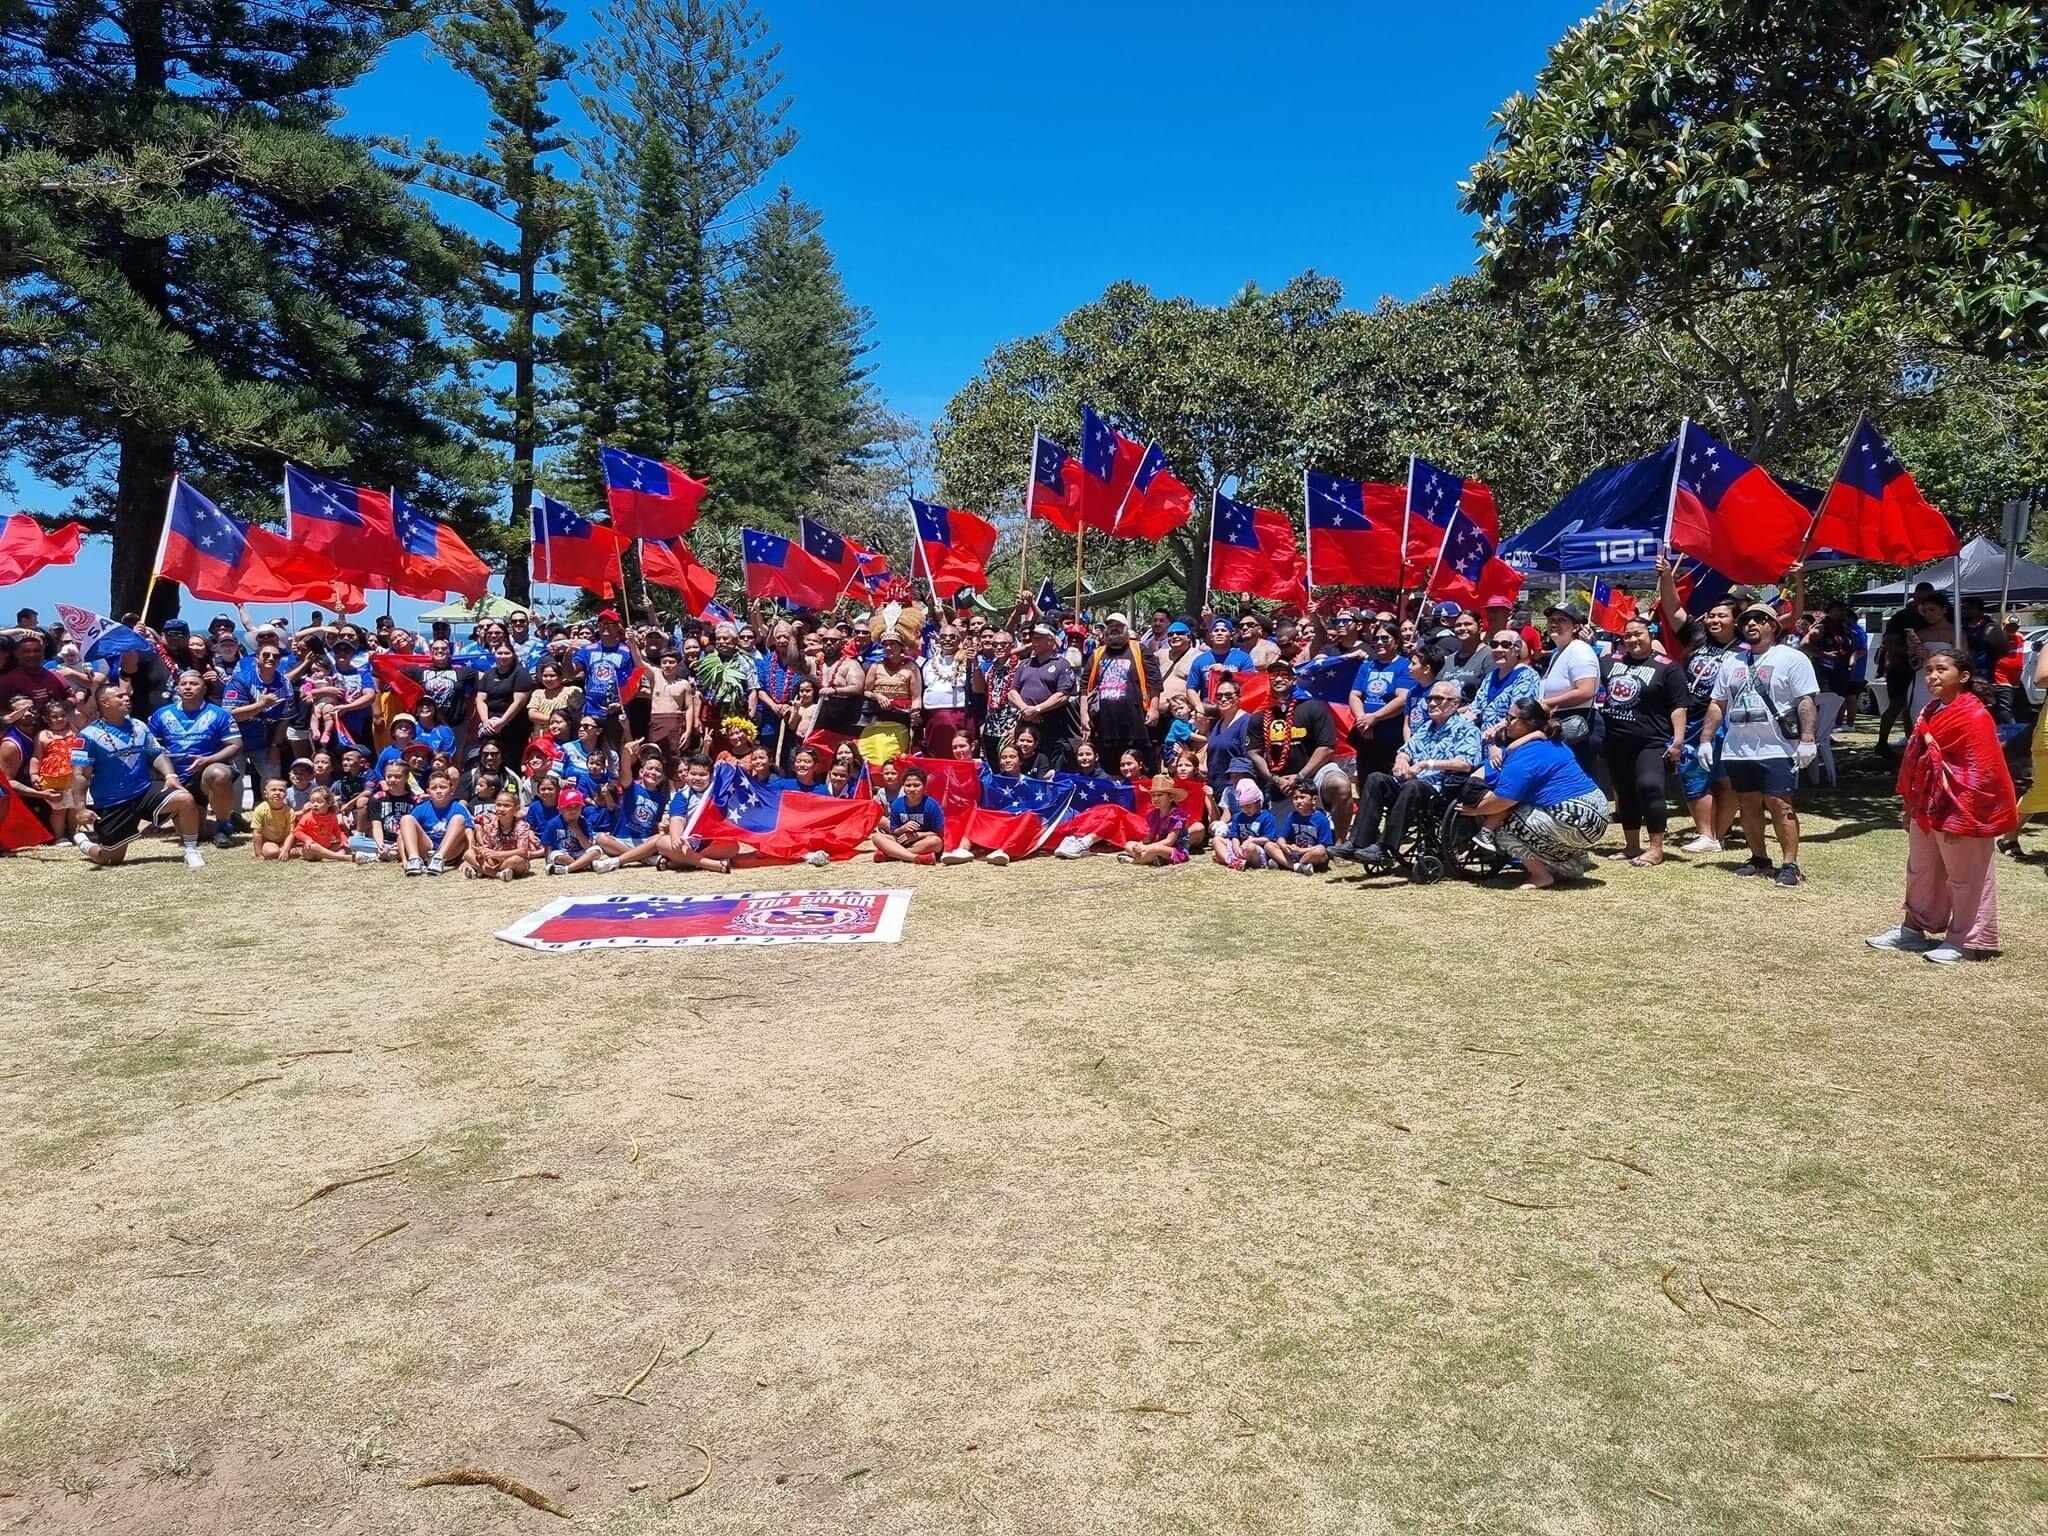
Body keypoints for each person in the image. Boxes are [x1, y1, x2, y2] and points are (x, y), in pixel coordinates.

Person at [1865, 646, 2019, 963]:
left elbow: (1981, 772)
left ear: (1963, 676)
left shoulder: (1974, 715)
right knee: (1921, 870)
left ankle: (1967, 941)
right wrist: (1910, 803)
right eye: (1929, 670)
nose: (1932, 676)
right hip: (1927, 803)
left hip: (1963, 808)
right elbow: (1920, 760)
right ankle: (1913, 929)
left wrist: (1961, 816)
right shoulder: (1931, 710)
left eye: (1941, 670)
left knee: (1966, 876)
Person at [1698, 603, 1820, 886]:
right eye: (1747, 620)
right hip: (1738, 747)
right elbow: (1718, 702)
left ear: (1774, 626)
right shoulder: (1732, 661)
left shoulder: (1792, 658)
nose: (1752, 623)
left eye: (1760, 619)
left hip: (1777, 747)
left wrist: (1808, 739)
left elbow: (1805, 700)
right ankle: (1759, 858)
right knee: (1748, 803)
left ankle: (1790, 864)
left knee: (1779, 803)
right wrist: (1705, 739)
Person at [1459, 699, 1610, 890]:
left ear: (1529, 723)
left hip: (1575, 817)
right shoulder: (1551, 740)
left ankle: (1541, 875)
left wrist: (1474, 811)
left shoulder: (1527, 754)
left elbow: (1503, 800)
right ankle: (1569, 860)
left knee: (1504, 824)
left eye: (1511, 718)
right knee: (1524, 810)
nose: (1506, 722)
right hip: (1598, 810)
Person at [1338, 681, 1482, 865]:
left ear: (1454, 703)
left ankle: (1385, 849)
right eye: (1430, 698)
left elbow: (1465, 763)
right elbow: (1406, 750)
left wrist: (1426, 764)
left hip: (1440, 789)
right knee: (1376, 779)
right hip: (1411, 785)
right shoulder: (1427, 727)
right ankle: (1357, 843)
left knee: (1412, 786)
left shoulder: (1466, 729)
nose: (1431, 703)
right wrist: (1401, 761)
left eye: (1438, 699)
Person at [74, 679, 205, 867]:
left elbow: (157, 753)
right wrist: (80, 808)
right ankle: (84, 843)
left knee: (185, 799)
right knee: (110, 859)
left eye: (127, 695)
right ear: (104, 702)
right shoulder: (88, 735)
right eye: (120, 696)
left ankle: (191, 850)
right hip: (113, 802)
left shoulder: (139, 726)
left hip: (143, 791)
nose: (127, 698)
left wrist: (170, 775)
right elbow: (80, 775)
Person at [1598, 617, 1687, 867]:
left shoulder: (1667, 667)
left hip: (1651, 741)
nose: (1633, 640)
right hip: (1616, 741)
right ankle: (1631, 846)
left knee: (1649, 787)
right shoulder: (1608, 663)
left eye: (1638, 634)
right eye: (1628, 636)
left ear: (1651, 635)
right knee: (1624, 793)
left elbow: (1678, 706)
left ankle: (1656, 848)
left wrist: (1678, 740)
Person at [1252, 655, 1348, 834]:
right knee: (1280, 840)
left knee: (1339, 785)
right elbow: (1254, 753)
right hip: (1281, 784)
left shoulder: (1313, 707)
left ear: (1294, 679)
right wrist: (1275, 779)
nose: (1278, 678)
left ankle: (1341, 843)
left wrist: (1301, 775)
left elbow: (1326, 747)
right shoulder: (1261, 714)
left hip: (1315, 775)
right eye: (1273, 675)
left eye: (1284, 674)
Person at [149, 669, 242, 848]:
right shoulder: (161, 714)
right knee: (192, 835)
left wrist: (208, 760)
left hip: (206, 774)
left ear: (204, 689)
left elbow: (236, 746)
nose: (188, 687)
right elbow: (152, 749)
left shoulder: (220, 714)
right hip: (177, 778)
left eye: (194, 684)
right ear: (178, 688)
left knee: (219, 773)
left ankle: (223, 827)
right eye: (183, 684)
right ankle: (223, 822)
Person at [1080, 613, 1159, 772]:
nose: (1114, 629)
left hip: (1136, 724)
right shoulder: (1097, 654)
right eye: (1111, 626)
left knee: (1137, 770)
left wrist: (1154, 708)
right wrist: (1084, 714)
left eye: (1118, 626)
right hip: (1105, 726)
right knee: (1111, 772)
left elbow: (1154, 681)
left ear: (1126, 629)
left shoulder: (1139, 649)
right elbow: (1084, 686)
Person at [1538, 603, 1603, 773]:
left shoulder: (1579, 651)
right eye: (1551, 620)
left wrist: (1546, 703)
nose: (1554, 623)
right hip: (1562, 723)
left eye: (1561, 620)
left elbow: (1586, 690)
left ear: (1575, 627)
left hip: (1578, 725)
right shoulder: (1559, 652)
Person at [1347, 627, 1413, 779]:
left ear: (1396, 642)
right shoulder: (1367, 666)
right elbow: (1355, 695)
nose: (1379, 643)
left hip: (1391, 737)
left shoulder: (1405, 666)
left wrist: (1374, 718)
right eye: (1375, 639)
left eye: (1385, 638)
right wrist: (1363, 720)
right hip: (1365, 736)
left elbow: (1402, 699)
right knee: (1365, 782)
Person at [1008, 624, 1077, 761]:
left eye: (1039, 638)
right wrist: (1026, 709)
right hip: (1025, 724)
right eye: (1034, 638)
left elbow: (1062, 695)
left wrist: (1038, 709)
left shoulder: (1061, 664)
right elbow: (1012, 692)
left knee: (1049, 765)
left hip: (1050, 726)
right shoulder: (1025, 664)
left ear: (1051, 641)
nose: (1035, 641)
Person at [472, 641, 533, 767]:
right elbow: (480, 699)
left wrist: (502, 722)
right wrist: (485, 721)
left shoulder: (521, 673)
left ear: (513, 655)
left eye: (507, 653)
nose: (503, 656)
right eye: (499, 653)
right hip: (490, 725)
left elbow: (518, 702)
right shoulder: (489, 674)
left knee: (511, 762)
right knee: (488, 762)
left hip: (513, 726)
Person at [400, 769, 471, 876]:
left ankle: (439, 859)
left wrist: (467, 859)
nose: (438, 791)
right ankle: (414, 859)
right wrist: (404, 859)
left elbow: (469, 834)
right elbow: (402, 835)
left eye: (443, 787)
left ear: (452, 789)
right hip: (428, 850)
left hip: (450, 852)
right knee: (406, 819)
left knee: (459, 818)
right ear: (428, 791)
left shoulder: (459, 808)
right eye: (434, 788)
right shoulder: (421, 808)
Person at [465, 788, 544, 881]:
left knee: (516, 860)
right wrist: (482, 852)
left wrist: (497, 854)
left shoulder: (522, 825)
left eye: (506, 806)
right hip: (494, 861)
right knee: (468, 854)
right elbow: (488, 847)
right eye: (498, 805)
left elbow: (523, 851)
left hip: (512, 861)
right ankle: (498, 874)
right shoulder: (490, 825)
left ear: (516, 809)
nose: (501, 809)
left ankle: (484, 871)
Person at [874, 764, 944, 864]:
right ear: (903, 787)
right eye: (908, 785)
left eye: (916, 785)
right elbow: (894, 831)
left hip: (922, 842)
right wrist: (902, 829)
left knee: (936, 842)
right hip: (901, 841)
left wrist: (917, 835)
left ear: (924, 787)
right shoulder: (897, 804)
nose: (911, 789)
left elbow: (937, 833)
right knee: (877, 837)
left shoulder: (932, 805)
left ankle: (891, 855)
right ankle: (915, 858)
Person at [1264, 780, 1334, 873]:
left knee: (1320, 851)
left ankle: (1287, 863)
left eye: (1302, 797)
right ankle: (1296, 866)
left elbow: (1324, 846)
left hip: (1310, 854)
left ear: (1314, 800)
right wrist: (1284, 846)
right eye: (1295, 798)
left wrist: (1301, 850)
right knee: (1269, 845)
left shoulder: (1321, 819)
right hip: (1294, 853)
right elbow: (1281, 838)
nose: (1298, 801)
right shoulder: (1292, 816)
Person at [1119, 775, 1190, 865]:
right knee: (1129, 844)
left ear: (1171, 797)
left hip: (1174, 850)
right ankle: (1154, 859)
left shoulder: (1177, 816)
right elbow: (1150, 837)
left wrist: (1146, 848)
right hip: (1155, 845)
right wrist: (1141, 845)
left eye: (1160, 795)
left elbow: (1169, 841)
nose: (1155, 798)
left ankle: (1134, 861)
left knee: (1156, 849)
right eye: (1153, 795)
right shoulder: (1153, 814)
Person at [1214, 779, 1277, 870]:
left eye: (1249, 807)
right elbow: (1234, 836)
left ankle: (1237, 860)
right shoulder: (1238, 817)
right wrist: (1236, 847)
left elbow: (1268, 838)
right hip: (1240, 847)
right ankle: (1234, 862)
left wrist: (1251, 841)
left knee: (1250, 847)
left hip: (1256, 849)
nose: (1245, 810)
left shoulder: (1267, 817)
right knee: (1217, 840)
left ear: (1258, 803)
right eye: (1242, 807)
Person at [283, 785, 353, 863]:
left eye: (319, 802)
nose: (315, 804)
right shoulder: (308, 817)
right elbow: (297, 831)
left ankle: (329, 855)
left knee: (346, 847)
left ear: (328, 804)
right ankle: (341, 857)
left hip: (327, 847)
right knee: (313, 847)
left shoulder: (332, 816)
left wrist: (343, 840)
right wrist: (307, 839)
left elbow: (337, 830)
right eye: (312, 802)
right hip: (311, 848)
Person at [1436, 611, 1491, 701]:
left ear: (1480, 627)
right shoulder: (1449, 660)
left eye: (1467, 624)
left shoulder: (1489, 655)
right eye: (1458, 625)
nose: (1462, 628)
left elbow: (1489, 694)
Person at [250, 778, 295, 860]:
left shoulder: (289, 811)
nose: (277, 793)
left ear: (286, 793)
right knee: (272, 852)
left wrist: (285, 849)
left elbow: (290, 833)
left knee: (294, 852)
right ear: (266, 794)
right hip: (268, 841)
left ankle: (283, 850)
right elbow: (257, 833)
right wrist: (258, 854)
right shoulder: (260, 809)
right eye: (273, 790)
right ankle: (275, 850)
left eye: (281, 790)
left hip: (283, 840)